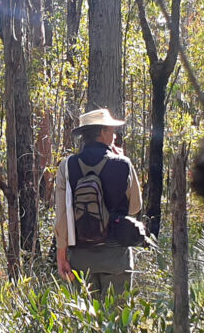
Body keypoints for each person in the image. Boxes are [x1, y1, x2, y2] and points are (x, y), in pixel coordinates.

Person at [54, 108, 144, 295]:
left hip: (80, 258)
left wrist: (61, 255)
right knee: (117, 319)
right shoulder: (123, 163)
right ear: (102, 132)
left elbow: (62, 215)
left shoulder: (67, 166)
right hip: (116, 256)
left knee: (84, 321)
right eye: (111, 130)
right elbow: (135, 206)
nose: (114, 135)